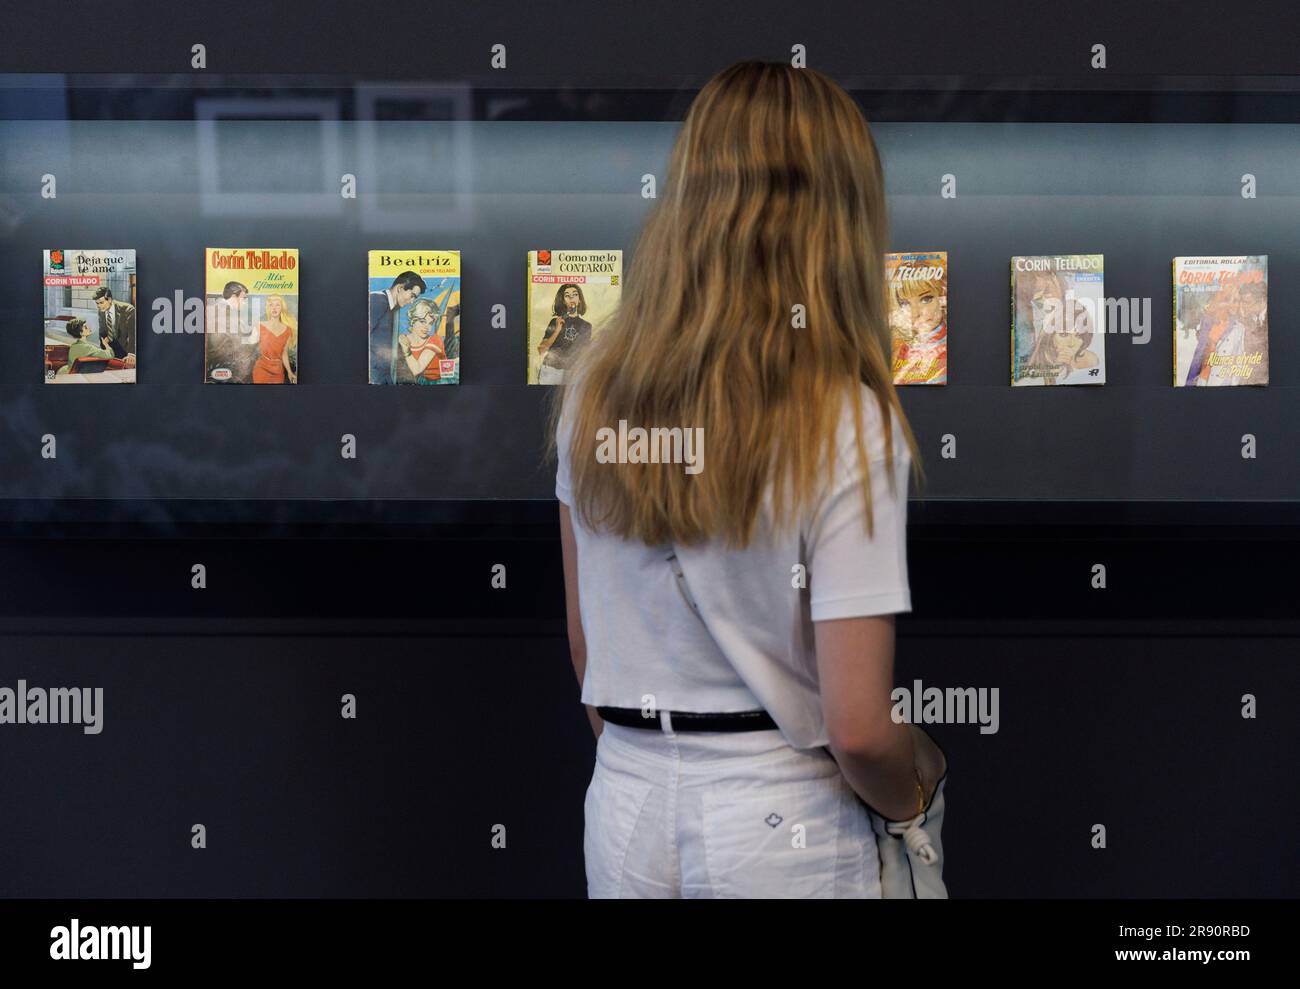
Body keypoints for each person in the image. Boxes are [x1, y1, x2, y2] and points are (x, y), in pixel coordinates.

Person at [551, 60, 946, 899]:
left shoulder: (593, 386)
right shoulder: (846, 415)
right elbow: (859, 728)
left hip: (623, 797)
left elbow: (590, 649)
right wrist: (920, 791)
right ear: (839, 215)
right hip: (781, 819)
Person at [370, 271, 427, 384]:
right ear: (400, 288)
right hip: (375, 375)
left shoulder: (392, 309)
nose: (412, 302)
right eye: (412, 296)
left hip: (385, 376)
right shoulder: (377, 300)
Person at [536, 284, 591, 384]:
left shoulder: (586, 326)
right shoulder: (555, 321)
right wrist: (557, 330)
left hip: (572, 373)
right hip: (550, 370)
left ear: (579, 300)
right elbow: (541, 350)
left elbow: (584, 354)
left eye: (574, 294)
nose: (571, 298)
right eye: (567, 295)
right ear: (563, 301)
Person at [395, 297, 445, 383]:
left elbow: (416, 370)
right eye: (422, 321)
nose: (427, 327)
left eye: (430, 323)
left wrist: (406, 350)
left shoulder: (435, 340)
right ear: (413, 320)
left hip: (438, 382)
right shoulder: (403, 339)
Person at [251, 294, 297, 384]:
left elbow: (284, 353)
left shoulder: (288, 330)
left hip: (278, 371)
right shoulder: (259, 325)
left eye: (277, 305)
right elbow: (248, 346)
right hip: (261, 368)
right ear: (268, 308)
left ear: (282, 308)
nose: (274, 308)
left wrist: (289, 372)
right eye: (271, 305)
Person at [92, 286, 137, 359]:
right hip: (110, 351)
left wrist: (131, 354)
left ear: (109, 299)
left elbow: (133, 334)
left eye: (101, 302)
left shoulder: (128, 310)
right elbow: (102, 331)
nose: (99, 306)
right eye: (97, 303)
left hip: (126, 352)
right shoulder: (101, 311)